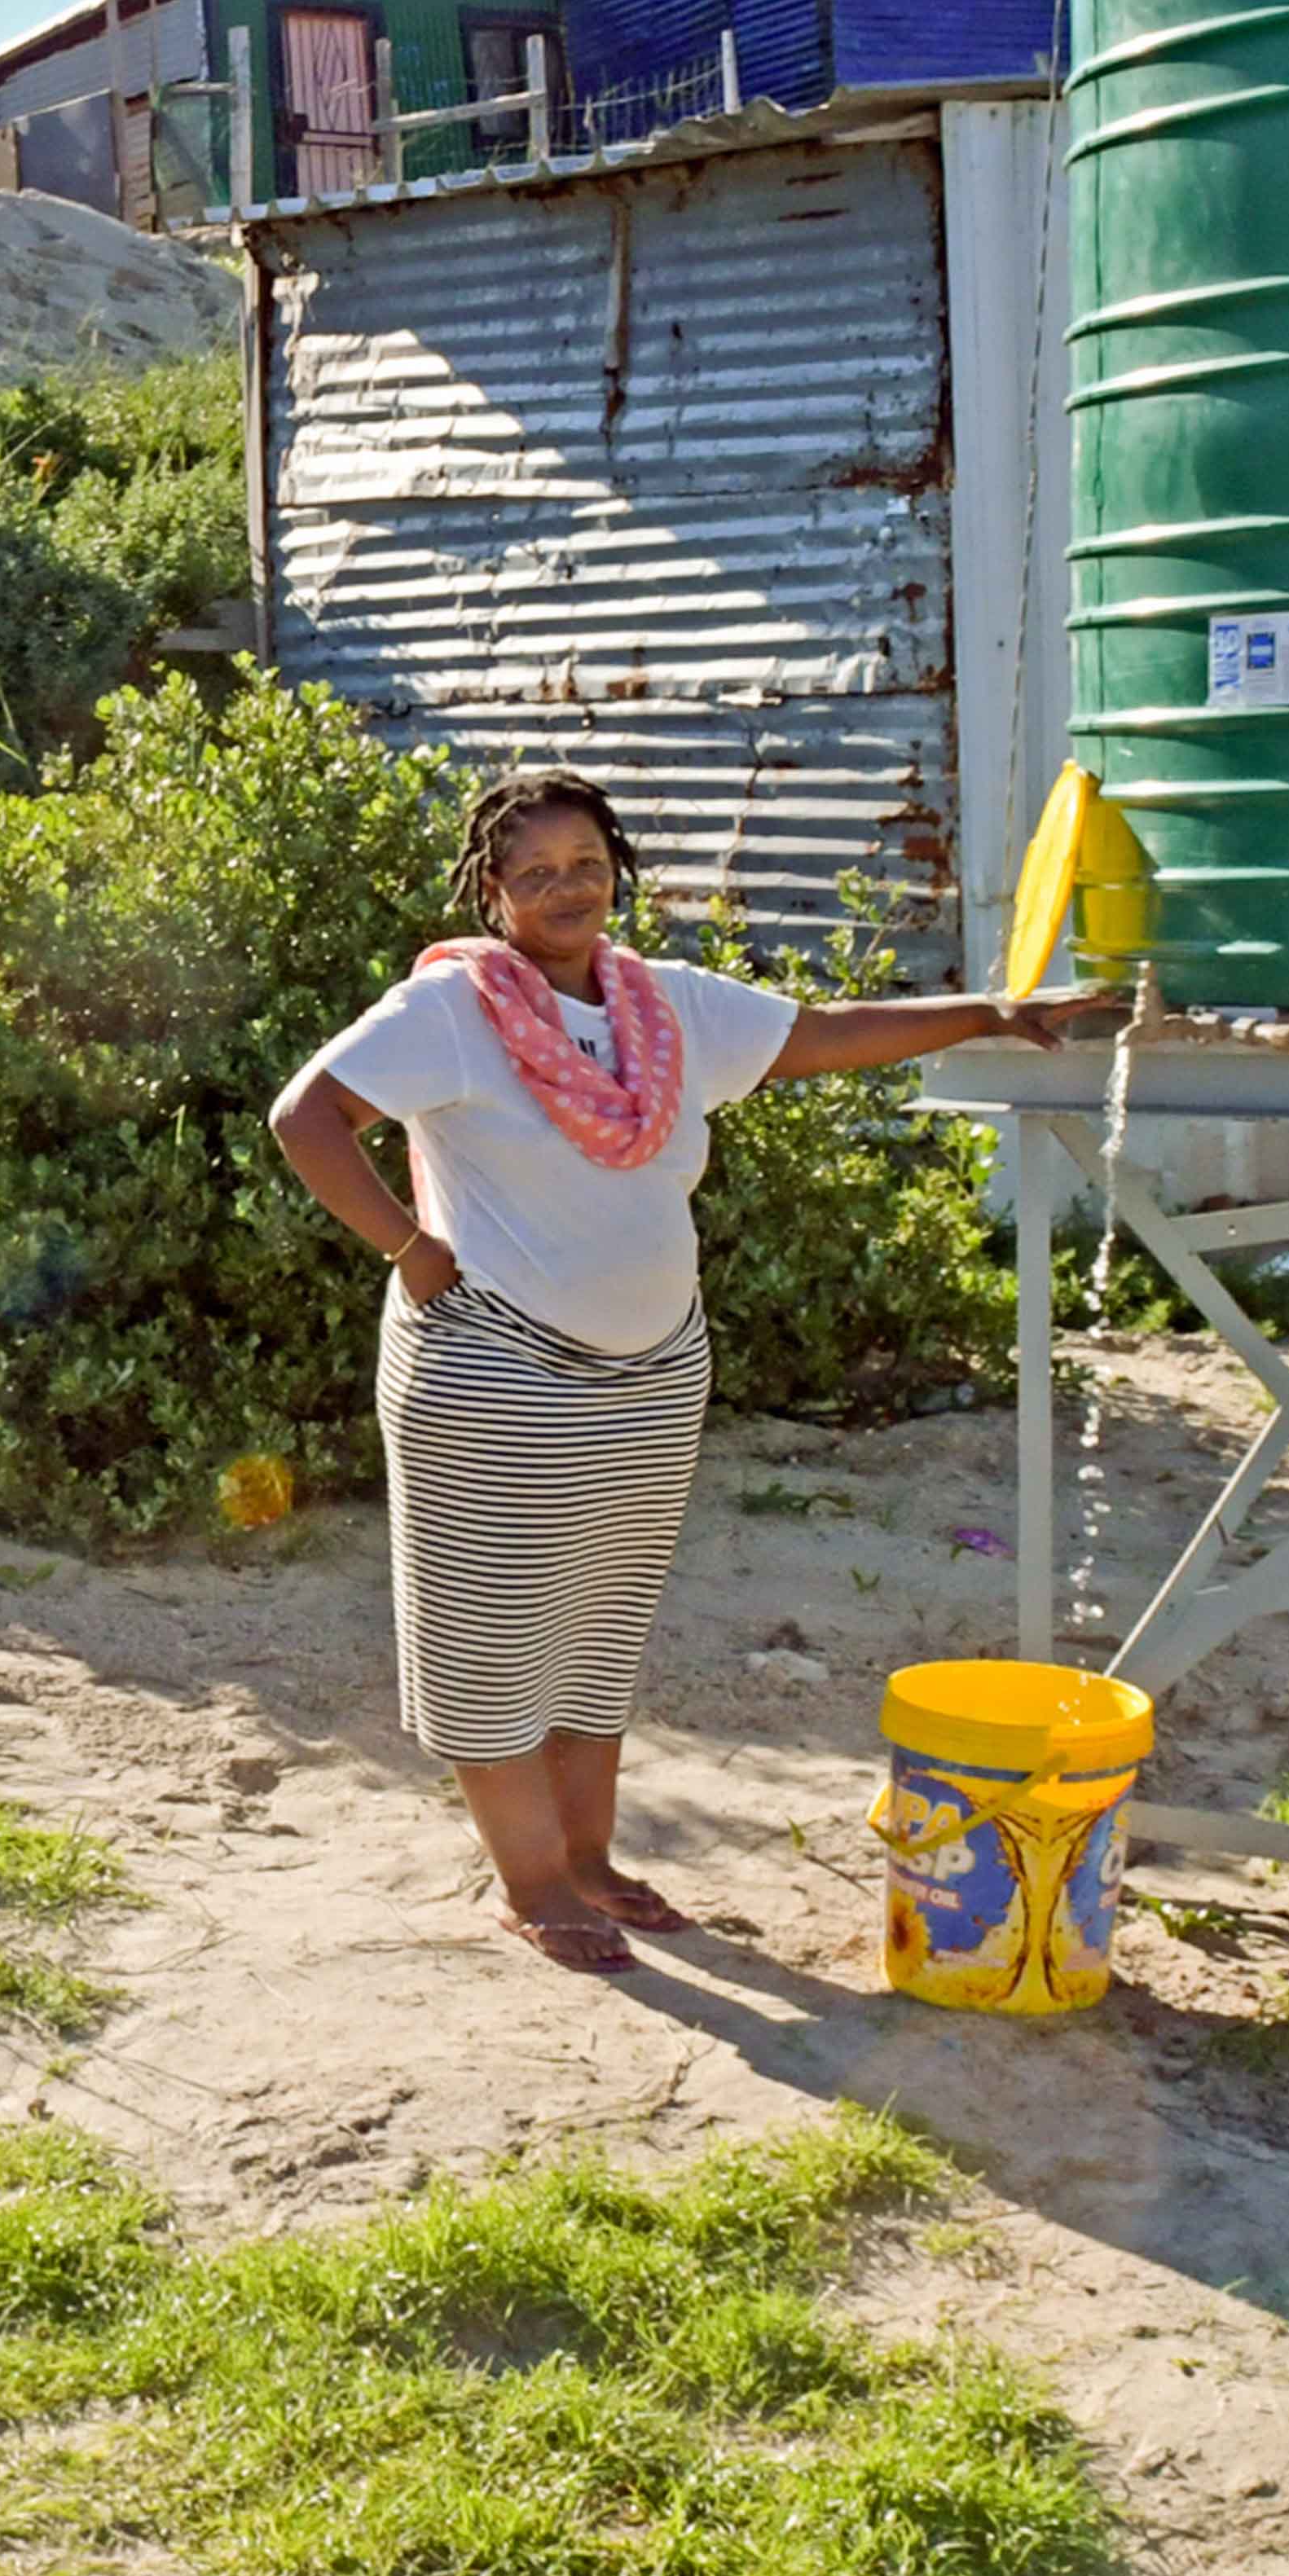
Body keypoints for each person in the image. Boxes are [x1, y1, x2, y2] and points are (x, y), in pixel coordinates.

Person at [266, 771, 1086, 1974]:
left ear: (617, 870)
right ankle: (532, 1883)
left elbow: (820, 1036)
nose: (565, 889)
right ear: (491, 893)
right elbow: (306, 1116)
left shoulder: (666, 1009)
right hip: (494, 1368)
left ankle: (589, 1861)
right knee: (491, 1635)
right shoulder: (448, 1012)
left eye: (585, 864)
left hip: (655, 1371)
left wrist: (990, 1014)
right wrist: (408, 1244)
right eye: (535, 872)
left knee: (595, 1633)